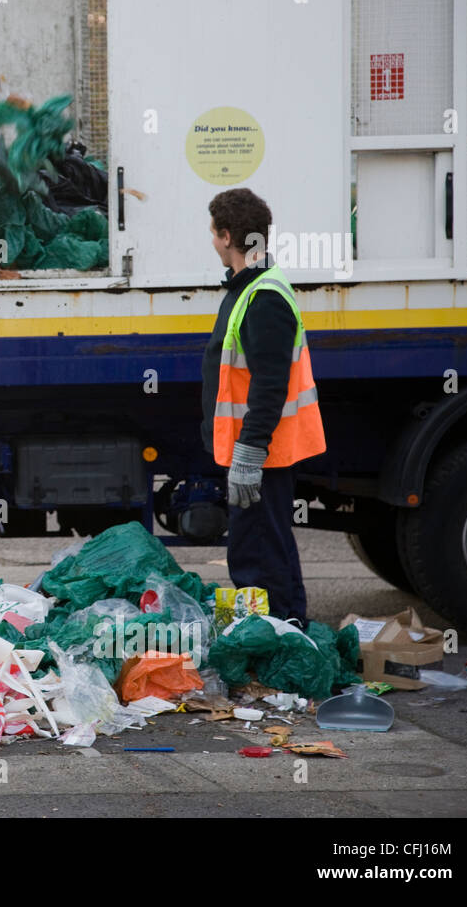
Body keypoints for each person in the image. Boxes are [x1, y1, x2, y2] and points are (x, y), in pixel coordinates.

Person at [201, 188, 326, 624]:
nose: (213, 242)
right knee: (262, 547)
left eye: (215, 234)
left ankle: (284, 634)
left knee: (260, 553)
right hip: (257, 452)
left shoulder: (264, 297)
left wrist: (249, 456)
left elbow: (270, 386)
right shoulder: (249, 290)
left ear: (229, 236)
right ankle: (283, 632)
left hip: (264, 455)